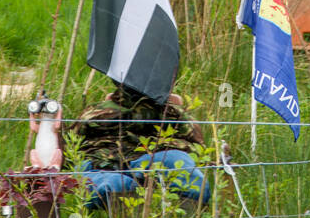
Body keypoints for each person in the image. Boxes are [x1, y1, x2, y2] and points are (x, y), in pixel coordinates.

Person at [73, 85, 211, 211]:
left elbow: (196, 148)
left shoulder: (172, 112)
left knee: (185, 172)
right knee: (110, 187)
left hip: (150, 158)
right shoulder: (99, 112)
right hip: (104, 164)